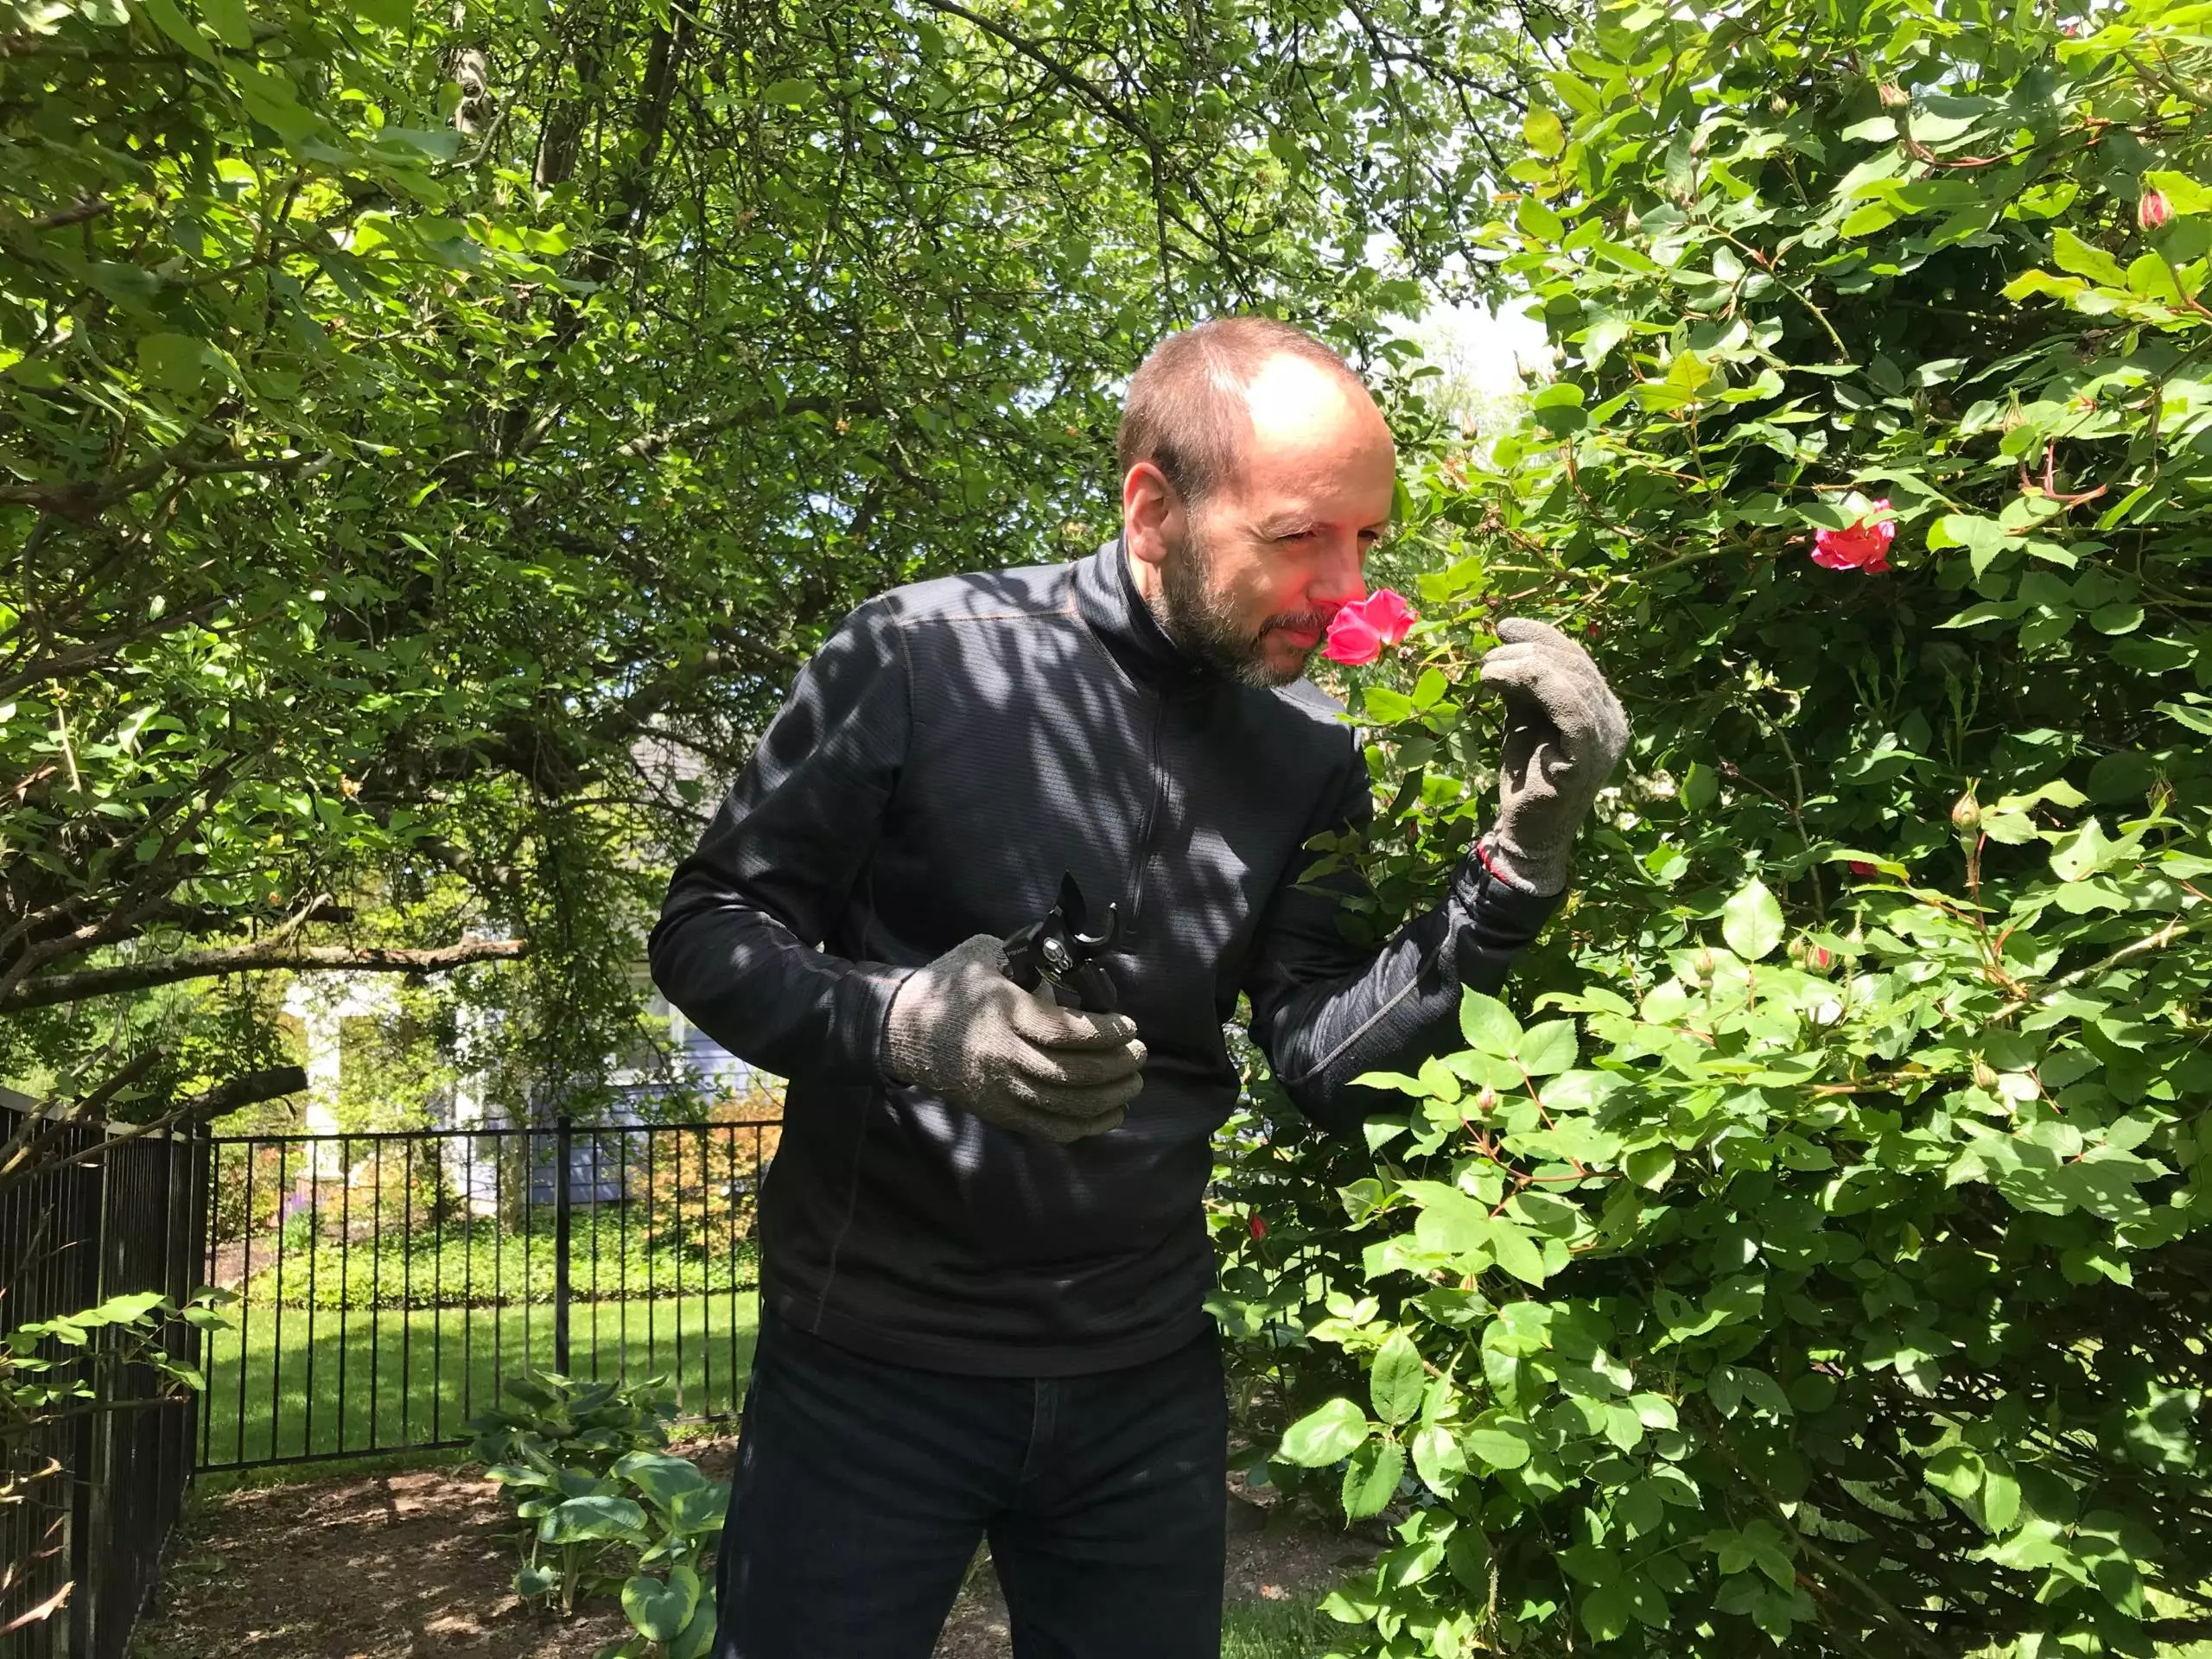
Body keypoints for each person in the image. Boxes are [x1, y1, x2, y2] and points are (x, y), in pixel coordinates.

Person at [648, 316, 1629, 1659]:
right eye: (1301, 537)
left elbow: (1328, 1061)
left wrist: (1517, 865)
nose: (1346, 588)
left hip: (1143, 1381)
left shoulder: (1312, 757)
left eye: (1367, 541)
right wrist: (903, 1027)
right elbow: (708, 928)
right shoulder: (923, 656)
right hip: (867, 1363)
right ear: (1155, 508)